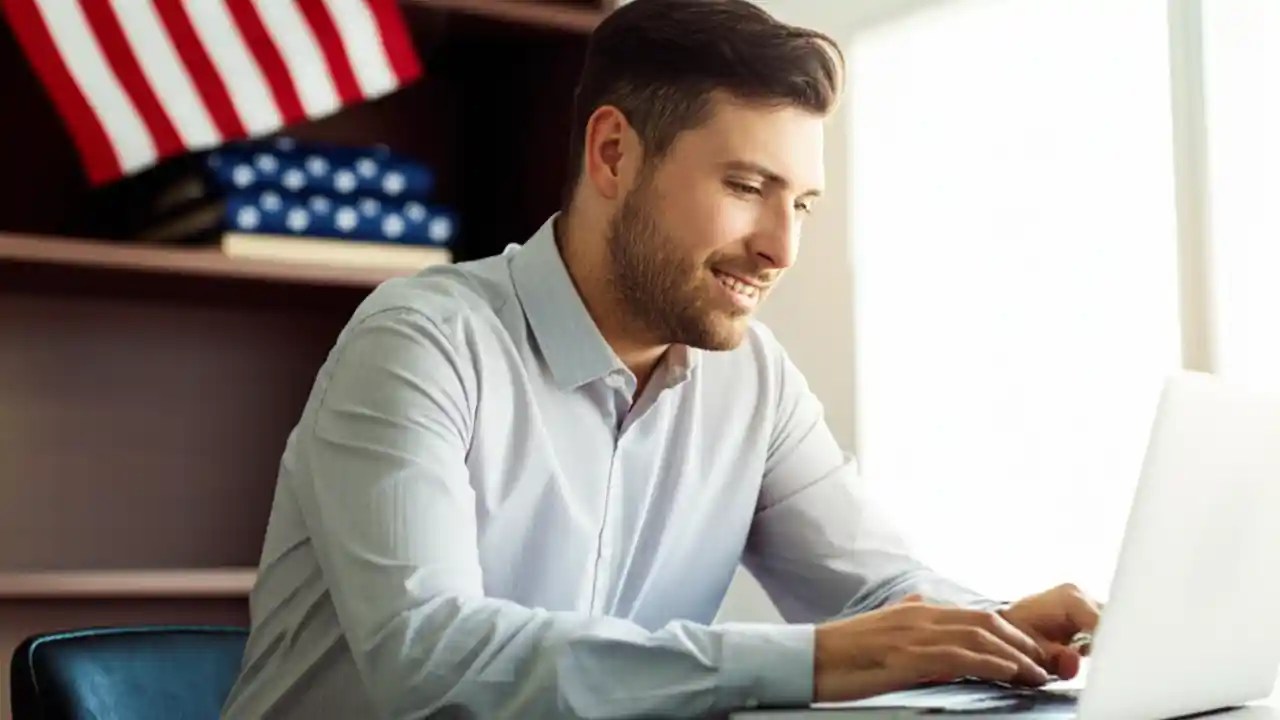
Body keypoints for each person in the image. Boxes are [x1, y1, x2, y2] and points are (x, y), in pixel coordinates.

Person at [219, 0, 1102, 717]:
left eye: (802, 203)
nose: (780, 249)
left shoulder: (753, 380)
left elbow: (881, 592)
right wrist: (814, 660)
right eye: (747, 187)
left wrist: (999, 630)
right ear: (613, 154)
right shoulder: (421, 341)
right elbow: (429, 657)